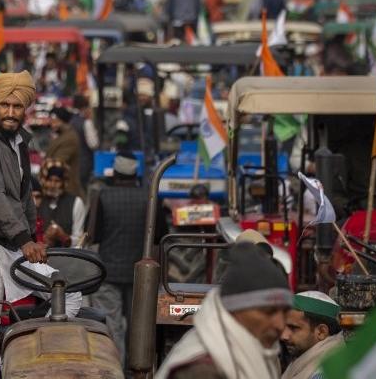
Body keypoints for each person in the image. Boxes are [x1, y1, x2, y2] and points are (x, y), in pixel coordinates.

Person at [0, 71, 81, 355]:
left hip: (15, 246)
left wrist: (33, 237)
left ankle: (38, 353)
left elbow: (25, 195)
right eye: (5, 105)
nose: (10, 112)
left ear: (25, 109)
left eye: (17, 106)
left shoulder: (19, 141)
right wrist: (24, 239)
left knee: (69, 294)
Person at [156, 243, 293, 379]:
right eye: (269, 312)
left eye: (285, 313)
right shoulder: (203, 370)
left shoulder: (262, 353)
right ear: (234, 311)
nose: (280, 325)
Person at [87, 152, 148, 366]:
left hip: (108, 273)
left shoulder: (103, 196)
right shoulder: (148, 197)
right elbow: (160, 234)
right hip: (141, 276)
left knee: (112, 326)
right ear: (135, 174)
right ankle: (138, 368)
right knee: (139, 326)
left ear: (115, 173)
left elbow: (92, 234)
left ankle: (115, 369)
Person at [280, 291, 344, 379]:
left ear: (321, 332)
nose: (283, 336)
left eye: (293, 328)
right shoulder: (304, 360)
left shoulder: (326, 371)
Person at [37, 160, 86, 249]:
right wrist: (45, 238)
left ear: (63, 183)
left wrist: (63, 237)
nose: (52, 185)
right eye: (49, 180)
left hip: (67, 255)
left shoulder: (76, 202)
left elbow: (80, 241)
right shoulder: (38, 200)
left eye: (57, 181)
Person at [44, 106, 84, 198]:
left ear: (63, 121)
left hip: (66, 190)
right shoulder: (61, 136)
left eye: (55, 121)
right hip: (59, 189)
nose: (52, 125)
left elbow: (57, 163)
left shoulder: (69, 138)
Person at [70, 96, 98, 191]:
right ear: (84, 108)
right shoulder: (86, 123)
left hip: (71, 162)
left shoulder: (69, 121)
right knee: (83, 189)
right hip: (85, 163)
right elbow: (93, 144)